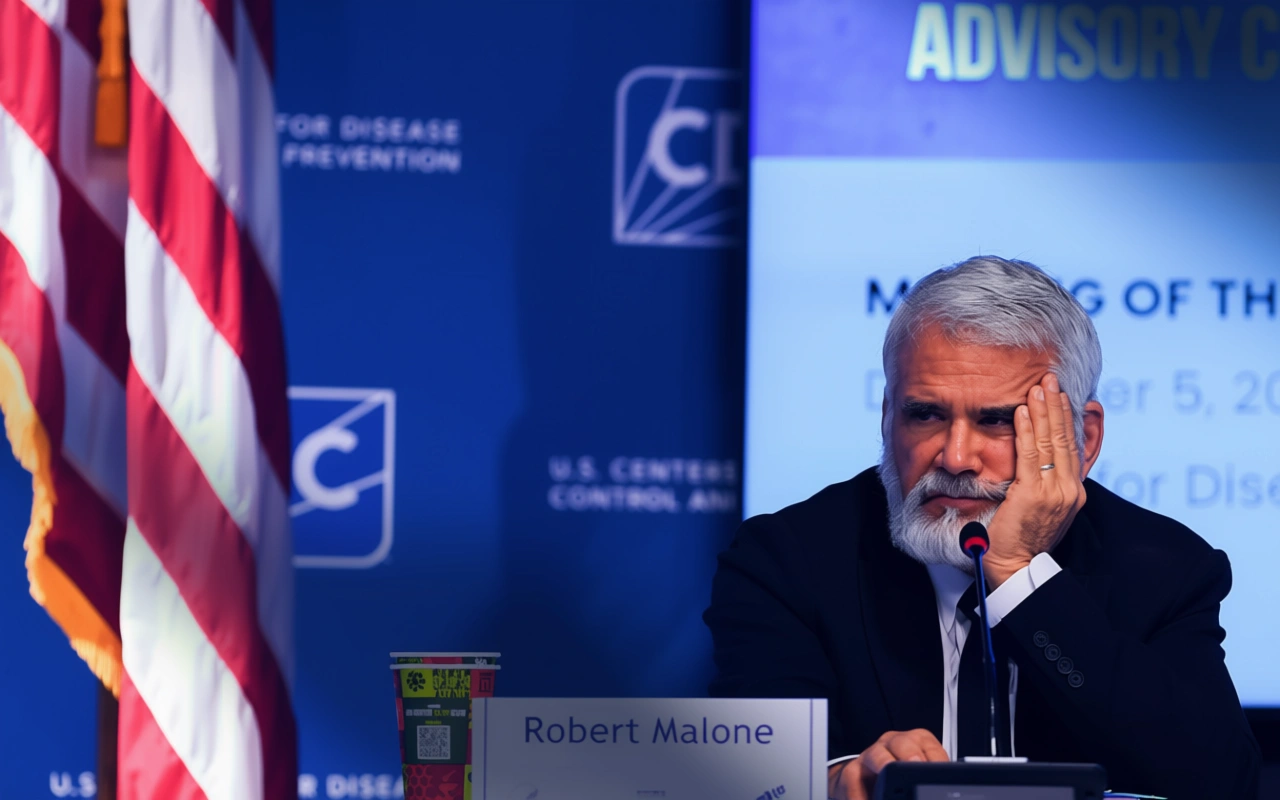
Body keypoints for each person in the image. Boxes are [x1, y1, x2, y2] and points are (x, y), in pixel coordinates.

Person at [704, 257, 1259, 799]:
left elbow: (1219, 783)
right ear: (887, 415)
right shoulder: (787, 559)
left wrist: (1019, 577)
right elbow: (749, 769)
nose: (955, 457)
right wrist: (837, 781)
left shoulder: (1165, 569)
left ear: (1083, 440)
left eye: (997, 420)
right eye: (925, 414)